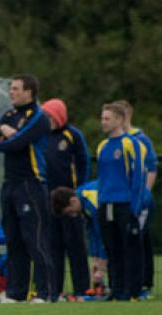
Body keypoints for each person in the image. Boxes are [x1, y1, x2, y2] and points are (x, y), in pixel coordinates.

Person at [0, 74, 55, 303]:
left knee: (35, 239)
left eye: (15, 88)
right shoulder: (10, 115)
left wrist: (2, 140)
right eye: (10, 88)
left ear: (28, 92)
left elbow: (17, 143)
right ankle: (16, 292)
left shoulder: (39, 117)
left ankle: (45, 292)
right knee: (13, 240)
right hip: (9, 184)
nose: (11, 92)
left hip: (30, 184)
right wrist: (2, 128)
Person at [41, 98, 91, 300]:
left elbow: (84, 163)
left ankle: (82, 290)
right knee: (53, 247)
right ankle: (55, 290)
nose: (47, 119)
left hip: (69, 201)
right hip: (48, 200)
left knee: (76, 246)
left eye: (50, 116)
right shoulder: (40, 135)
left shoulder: (72, 135)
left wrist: (78, 192)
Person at [96, 103, 145, 301]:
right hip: (105, 203)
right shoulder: (102, 146)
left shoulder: (131, 144)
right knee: (111, 248)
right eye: (102, 118)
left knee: (130, 248)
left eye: (107, 118)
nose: (103, 122)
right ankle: (115, 289)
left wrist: (135, 206)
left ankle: (131, 290)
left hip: (125, 204)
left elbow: (138, 177)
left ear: (119, 120)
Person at [114, 100, 157, 297]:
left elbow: (150, 170)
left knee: (139, 240)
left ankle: (143, 283)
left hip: (137, 200)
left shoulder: (140, 139)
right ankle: (121, 284)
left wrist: (142, 195)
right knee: (120, 241)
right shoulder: (113, 141)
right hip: (119, 200)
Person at [51, 181, 107, 300]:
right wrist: (95, 258)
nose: (72, 215)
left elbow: (103, 236)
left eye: (70, 211)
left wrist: (101, 267)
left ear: (73, 201)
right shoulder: (81, 198)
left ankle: (134, 290)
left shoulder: (93, 203)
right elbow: (93, 234)